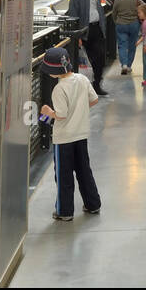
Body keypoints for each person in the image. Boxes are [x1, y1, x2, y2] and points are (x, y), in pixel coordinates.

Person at [39, 47, 101, 221]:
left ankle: (64, 211)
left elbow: (61, 115)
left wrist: (47, 111)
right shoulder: (82, 79)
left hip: (64, 138)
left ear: (53, 72)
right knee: (84, 170)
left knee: (64, 175)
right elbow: (94, 100)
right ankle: (93, 204)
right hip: (81, 134)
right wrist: (79, 110)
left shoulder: (59, 89)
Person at [67, 0, 110, 95]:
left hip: (97, 29)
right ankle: (84, 88)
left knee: (100, 58)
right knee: (86, 60)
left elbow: (99, 11)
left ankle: (96, 85)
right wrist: (78, 35)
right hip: (85, 30)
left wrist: (103, 26)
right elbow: (73, 15)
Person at [111, 0, 143, 76]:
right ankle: (129, 66)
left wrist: (116, 21)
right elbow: (144, 7)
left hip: (121, 24)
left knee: (122, 45)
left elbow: (114, 13)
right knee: (132, 45)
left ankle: (124, 64)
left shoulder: (118, 0)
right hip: (134, 24)